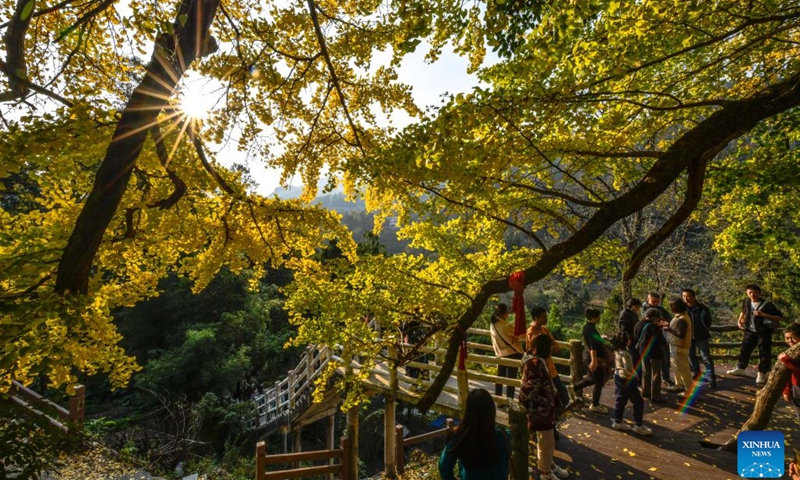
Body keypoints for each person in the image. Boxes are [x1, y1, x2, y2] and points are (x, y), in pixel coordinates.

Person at [519, 334, 570, 480]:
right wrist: (545, 402)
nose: (552, 349)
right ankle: (546, 472)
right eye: (550, 346)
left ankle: (549, 465)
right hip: (540, 411)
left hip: (541, 409)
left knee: (546, 441)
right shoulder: (535, 364)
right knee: (546, 442)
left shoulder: (534, 361)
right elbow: (529, 389)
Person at [438, 388, 511, 480]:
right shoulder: (503, 436)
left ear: (468, 411)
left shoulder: (459, 437)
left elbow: (444, 467)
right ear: (492, 411)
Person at [727, 284, 785, 385]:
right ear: (747, 293)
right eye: (750, 292)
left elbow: (779, 317)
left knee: (764, 353)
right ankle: (740, 368)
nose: (752, 294)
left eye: (755, 292)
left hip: (763, 332)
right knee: (745, 350)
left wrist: (763, 314)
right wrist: (739, 320)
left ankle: (762, 373)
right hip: (749, 331)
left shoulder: (767, 304)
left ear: (759, 293)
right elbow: (744, 311)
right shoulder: (747, 301)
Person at [526, 306, 570, 411]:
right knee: (549, 391)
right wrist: (550, 349)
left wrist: (550, 348)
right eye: (543, 317)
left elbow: (555, 344)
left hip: (549, 366)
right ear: (536, 318)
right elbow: (532, 351)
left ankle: (559, 410)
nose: (546, 319)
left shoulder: (544, 329)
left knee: (560, 388)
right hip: (540, 367)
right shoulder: (531, 332)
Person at [609, 331, 653, 435]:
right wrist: (635, 376)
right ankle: (638, 425)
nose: (630, 340)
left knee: (621, 399)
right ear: (625, 342)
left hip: (617, 377)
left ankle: (617, 421)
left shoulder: (616, 350)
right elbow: (627, 367)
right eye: (628, 339)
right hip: (626, 379)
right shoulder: (625, 353)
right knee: (639, 401)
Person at [572, 308, 609, 414]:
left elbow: (594, 340)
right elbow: (592, 346)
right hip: (593, 357)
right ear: (593, 318)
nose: (599, 318)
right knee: (599, 381)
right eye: (598, 316)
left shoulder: (588, 327)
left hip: (590, 357)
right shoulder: (590, 329)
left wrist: (601, 338)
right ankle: (595, 405)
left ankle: (574, 388)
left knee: (591, 379)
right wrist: (594, 361)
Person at [682, 288, 717, 389]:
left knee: (706, 357)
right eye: (684, 296)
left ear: (693, 297)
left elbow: (708, 321)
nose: (685, 298)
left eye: (687, 296)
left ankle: (711, 377)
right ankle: (696, 372)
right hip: (688, 337)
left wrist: (703, 329)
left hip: (702, 336)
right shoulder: (683, 308)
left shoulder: (702, 308)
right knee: (691, 356)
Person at [490, 303, 524, 398]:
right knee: (511, 380)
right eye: (507, 312)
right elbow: (520, 336)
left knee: (500, 378)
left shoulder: (493, 323)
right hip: (512, 353)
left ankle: (499, 399)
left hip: (499, 353)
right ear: (504, 313)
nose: (508, 314)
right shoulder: (507, 325)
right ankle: (510, 401)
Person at [633, 308, 667, 403]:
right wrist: (660, 328)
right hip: (655, 353)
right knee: (656, 374)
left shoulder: (638, 324)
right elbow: (662, 342)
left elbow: (635, 337)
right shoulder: (654, 327)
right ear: (654, 317)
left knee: (645, 372)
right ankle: (656, 396)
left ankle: (645, 391)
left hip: (643, 352)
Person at [642, 292, 674, 388]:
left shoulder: (660, 308)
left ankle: (666, 377)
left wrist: (665, 322)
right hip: (649, 339)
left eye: (657, 301)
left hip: (661, 337)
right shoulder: (644, 308)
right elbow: (649, 320)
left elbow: (669, 318)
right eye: (654, 301)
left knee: (665, 358)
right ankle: (649, 384)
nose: (656, 303)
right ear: (648, 299)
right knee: (649, 364)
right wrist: (661, 322)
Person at [663, 298, 694, 398]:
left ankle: (688, 390)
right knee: (676, 367)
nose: (671, 308)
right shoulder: (680, 316)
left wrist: (669, 329)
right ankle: (679, 384)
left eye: (672, 306)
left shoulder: (682, 319)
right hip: (675, 346)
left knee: (684, 369)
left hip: (680, 347)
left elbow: (681, 334)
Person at [778, 322, 800, 428]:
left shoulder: (789, 356)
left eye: (793, 338)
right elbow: (787, 373)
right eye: (787, 338)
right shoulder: (791, 352)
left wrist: (786, 360)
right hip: (796, 388)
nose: (790, 341)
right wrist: (786, 390)